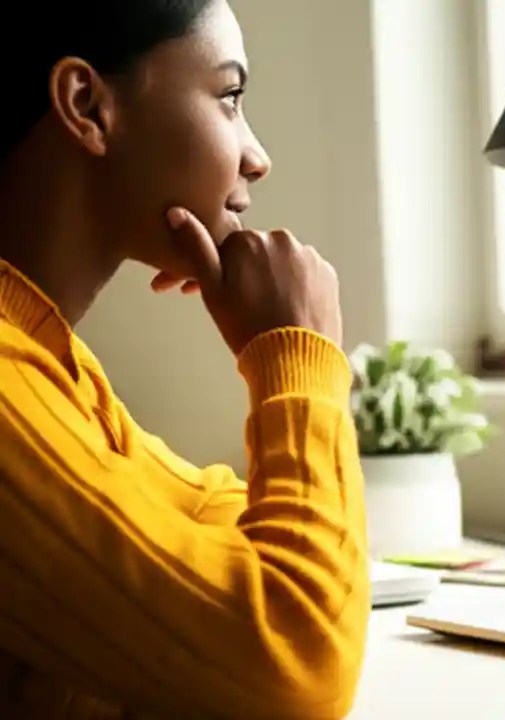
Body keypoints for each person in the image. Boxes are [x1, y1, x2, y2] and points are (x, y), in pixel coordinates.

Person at [0, 1, 369, 717]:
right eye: (229, 97)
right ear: (88, 106)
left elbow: (209, 522)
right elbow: (300, 665)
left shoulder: (49, 362)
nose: (257, 156)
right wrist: (295, 354)